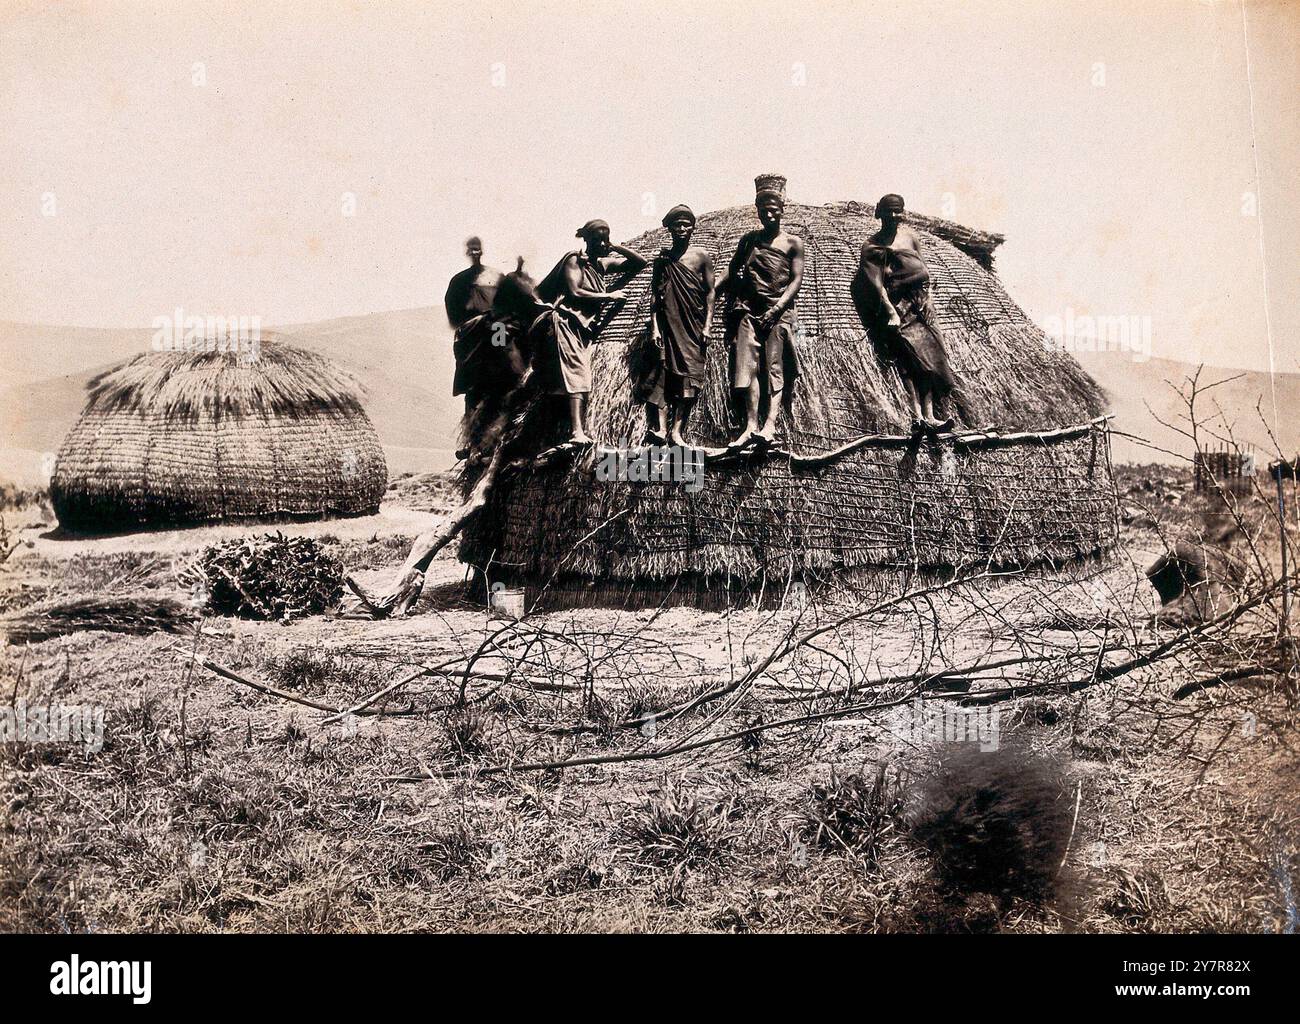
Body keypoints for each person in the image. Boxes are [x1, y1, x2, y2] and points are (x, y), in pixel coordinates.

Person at [534, 220, 648, 444]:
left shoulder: (601, 264)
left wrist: (614, 246)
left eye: (606, 238)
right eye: (598, 240)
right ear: (587, 240)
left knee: (580, 375)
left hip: (582, 329)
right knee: (578, 375)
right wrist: (609, 296)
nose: (603, 243)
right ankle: (576, 431)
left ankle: (576, 427)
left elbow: (640, 263)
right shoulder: (574, 260)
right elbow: (575, 291)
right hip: (567, 322)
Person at [854, 193, 955, 432]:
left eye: (897, 210)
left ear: (903, 212)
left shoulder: (910, 238)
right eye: (888, 211)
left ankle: (931, 415)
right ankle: (916, 414)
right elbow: (875, 284)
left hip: (921, 306)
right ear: (879, 212)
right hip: (898, 308)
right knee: (909, 358)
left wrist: (927, 301)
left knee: (930, 357)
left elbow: (923, 269)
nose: (893, 216)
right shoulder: (872, 247)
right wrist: (891, 312)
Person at [718, 174, 803, 451]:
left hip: (777, 312)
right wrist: (736, 288)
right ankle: (750, 426)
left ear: (781, 210)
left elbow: (796, 281)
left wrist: (777, 308)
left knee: (774, 367)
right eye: (763, 208)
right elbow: (733, 268)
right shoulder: (749, 241)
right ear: (757, 211)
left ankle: (770, 425)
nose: (768, 213)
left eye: (773, 208)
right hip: (749, 311)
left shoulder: (793, 243)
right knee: (748, 366)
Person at [644, 204, 715, 446]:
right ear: (670, 229)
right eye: (677, 225)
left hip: (692, 326)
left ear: (693, 227)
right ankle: (661, 428)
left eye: (686, 224)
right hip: (667, 326)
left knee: (690, 376)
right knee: (664, 373)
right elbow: (655, 298)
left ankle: (677, 430)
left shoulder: (701, 257)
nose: (682, 229)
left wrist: (707, 325)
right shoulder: (662, 262)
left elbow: (710, 293)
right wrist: (654, 327)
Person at [443, 237, 505, 415]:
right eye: (472, 249)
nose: (475, 253)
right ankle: (472, 412)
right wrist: (467, 323)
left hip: (496, 327)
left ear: (482, 251)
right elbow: (452, 309)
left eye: (477, 249)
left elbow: (507, 300)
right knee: (473, 376)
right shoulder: (459, 280)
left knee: (503, 360)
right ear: (467, 252)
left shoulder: (496, 276)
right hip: (472, 332)